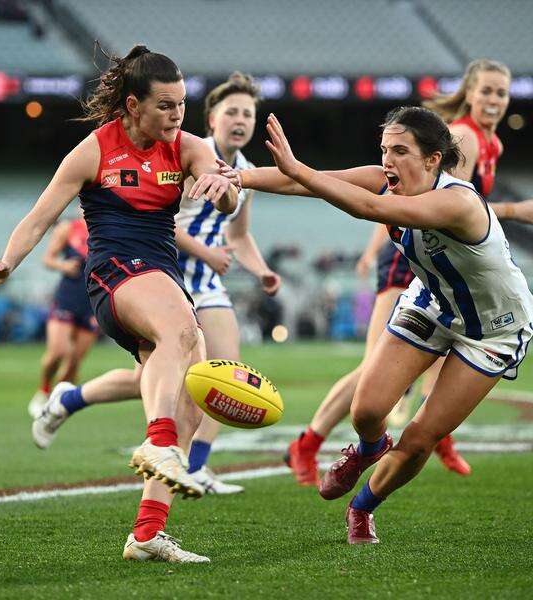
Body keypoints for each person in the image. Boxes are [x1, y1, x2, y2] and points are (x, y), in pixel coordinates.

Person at [198, 107, 533, 544]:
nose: (387, 160)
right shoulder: (384, 178)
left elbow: (370, 208)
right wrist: (240, 178)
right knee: (367, 411)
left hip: (493, 328)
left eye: (400, 151)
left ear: (433, 160)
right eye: (384, 150)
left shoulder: (457, 201)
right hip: (433, 303)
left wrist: (297, 167)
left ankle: (363, 507)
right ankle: (371, 447)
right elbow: (306, 181)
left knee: (419, 437)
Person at [0, 45, 238, 563]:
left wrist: (221, 188)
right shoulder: (93, 150)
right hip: (113, 274)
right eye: (165, 105)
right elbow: (40, 216)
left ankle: (146, 534)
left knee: (192, 384)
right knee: (182, 334)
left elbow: (225, 187)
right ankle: (158, 438)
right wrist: (8, 261)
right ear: (132, 104)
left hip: (161, 275)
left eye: (182, 104)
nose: (177, 115)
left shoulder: (186, 146)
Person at [31, 72, 282, 495]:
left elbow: (237, 234)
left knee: (210, 370)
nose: (241, 120)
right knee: (177, 369)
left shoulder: (246, 171)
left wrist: (260, 270)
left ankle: (186, 463)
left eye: (248, 114)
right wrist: (203, 251)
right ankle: (89, 409)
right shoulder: (184, 151)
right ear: (213, 119)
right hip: (157, 271)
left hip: (203, 282)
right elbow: (162, 221)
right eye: (232, 112)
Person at [285, 58, 533, 486]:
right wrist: (251, 177)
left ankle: (429, 436)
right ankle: (311, 444)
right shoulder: (467, 142)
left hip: (444, 261)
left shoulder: (491, 146)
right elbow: (398, 202)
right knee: (375, 372)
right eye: (486, 91)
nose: (494, 100)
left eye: (501, 92)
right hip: (420, 259)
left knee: (417, 366)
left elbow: (421, 204)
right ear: (469, 94)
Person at [27, 213, 98, 419]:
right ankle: (44, 390)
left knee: (75, 361)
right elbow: (48, 259)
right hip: (67, 297)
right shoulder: (68, 228)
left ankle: (56, 404)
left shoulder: (107, 227)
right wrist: (63, 266)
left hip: (93, 302)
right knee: (58, 352)